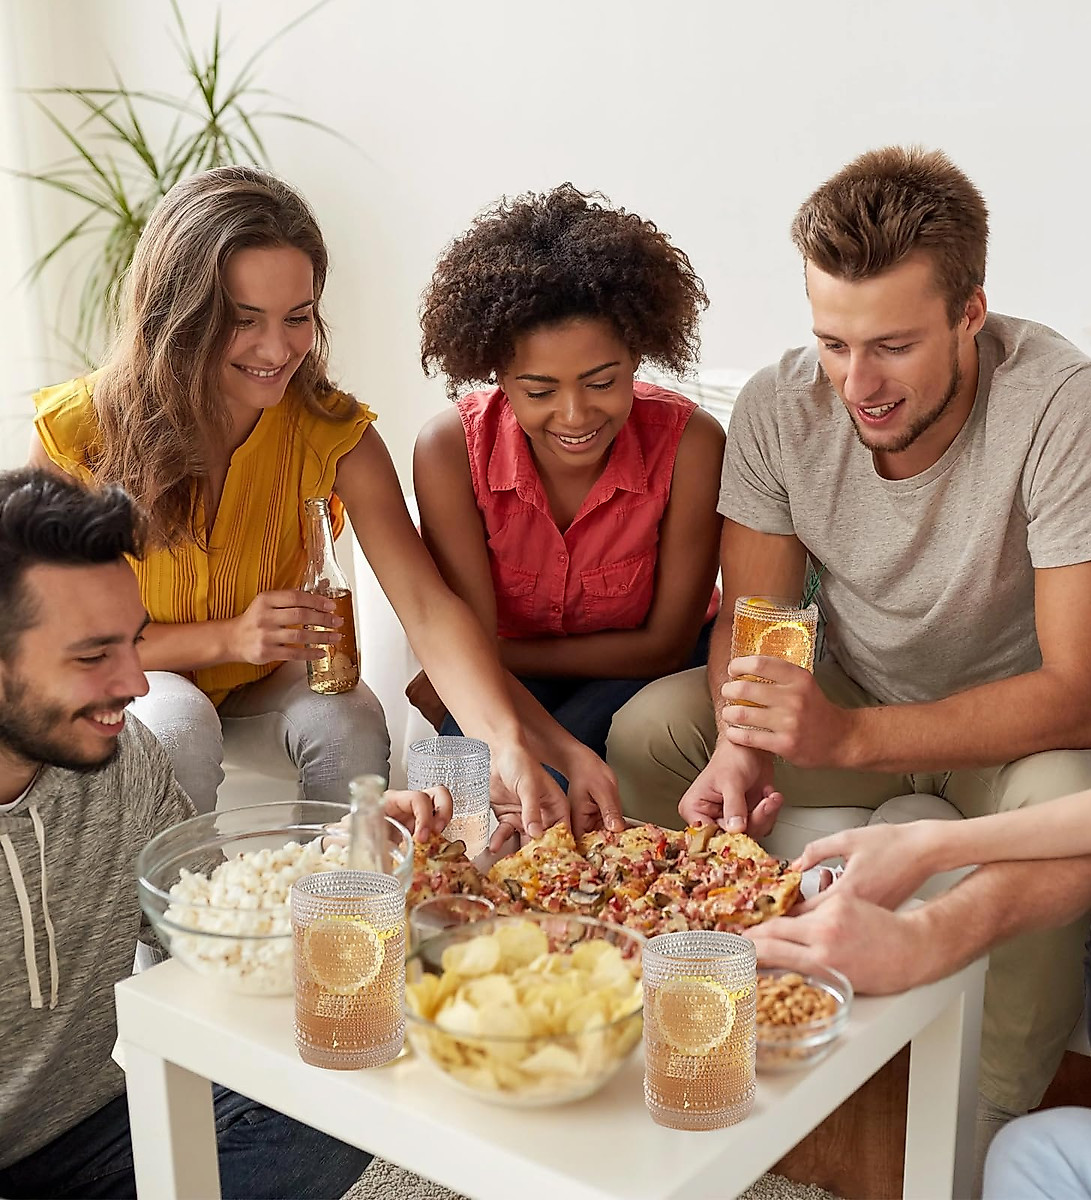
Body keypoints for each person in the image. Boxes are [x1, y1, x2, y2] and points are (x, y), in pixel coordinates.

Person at [606, 146, 1091, 1148]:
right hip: (853, 690)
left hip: (1019, 731)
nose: (859, 384)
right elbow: (758, 622)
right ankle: (689, 1014)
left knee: (1075, 798)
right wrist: (741, 738)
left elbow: (1086, 695)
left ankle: (983, 1120)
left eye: (894, 346)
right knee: (655, 733)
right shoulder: (779, 405)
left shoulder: (1063, 405)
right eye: (833, 343)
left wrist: (850, 738)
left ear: (971, 313)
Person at [767, 242, 1091, 1198]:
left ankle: (996, 1101)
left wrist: (933, 862)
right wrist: (939, 903)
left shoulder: (1068, 425)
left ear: (968, 315)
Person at [29, 164, 602, 848]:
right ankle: (183, 916)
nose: (278, 350)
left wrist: (505, 743)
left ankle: (348, 898)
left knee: (347, 716)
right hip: (139, 683)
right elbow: (52, 639)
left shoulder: (334, 433)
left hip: (263, 684)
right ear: (178, 317)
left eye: (297, 318)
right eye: (243, 321)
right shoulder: (79, 434)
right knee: (179, 720)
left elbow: (427, 608)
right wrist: (227, 637)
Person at [0, 466, 370, 1199]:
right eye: (93, 656)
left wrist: (353, 858)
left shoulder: (121, 754)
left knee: (347, 1072)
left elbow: (215, 927)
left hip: (100, 1129)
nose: (137, 683)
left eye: (134, 644)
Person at [410, 183, 724, 779]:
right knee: (466, 785)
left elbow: (663, 645)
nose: (576, 416)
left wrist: (477, 659)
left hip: (649, 672)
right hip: (508, 675)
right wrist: (475, 662)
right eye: (539, 391)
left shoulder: (692, 445)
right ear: (498, 374)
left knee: (548, 780)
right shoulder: (449, 451)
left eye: (602, 383)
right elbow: (472, 651)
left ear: (636, 356)